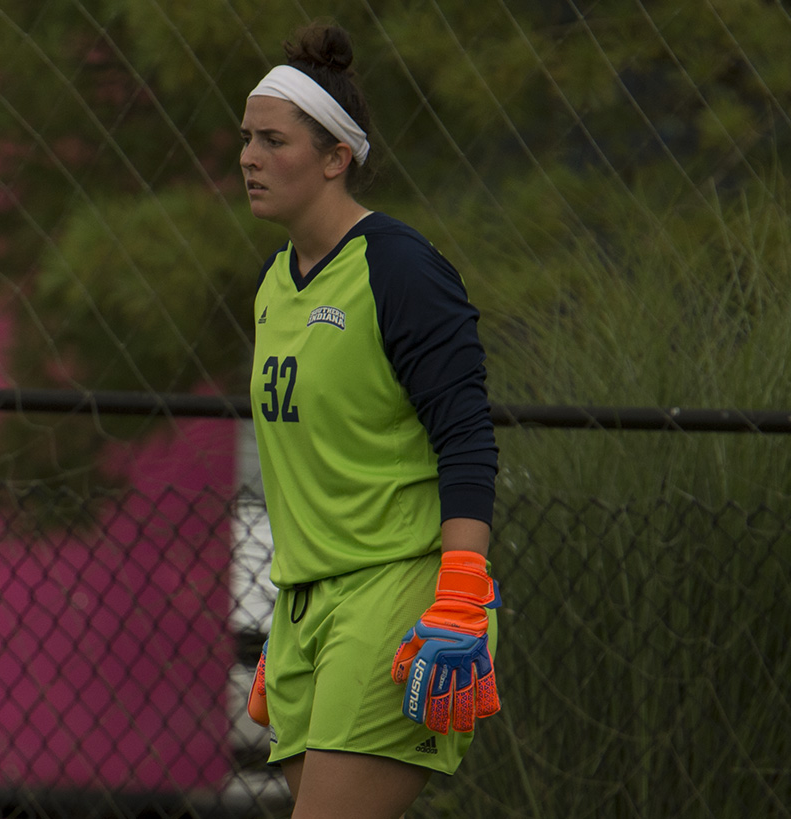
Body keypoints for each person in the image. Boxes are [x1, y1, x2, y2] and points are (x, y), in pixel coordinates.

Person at [240, 21, 501, 819]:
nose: (249, 157)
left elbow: (465, 434)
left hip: (395, 598)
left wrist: (460, 592)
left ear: (334, 157)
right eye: (245, 138)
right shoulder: (273, 283)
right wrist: (293, 619)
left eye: (273, 140)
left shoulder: (399, 267)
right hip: (305, 612)